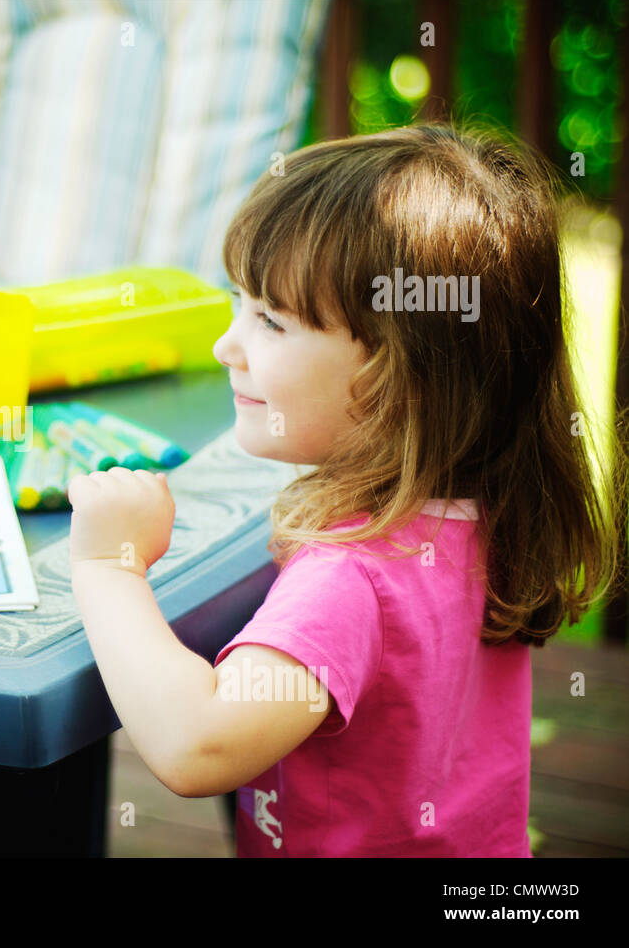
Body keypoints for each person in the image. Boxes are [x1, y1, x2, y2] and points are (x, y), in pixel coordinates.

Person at [66, 123, 625, 856]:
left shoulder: (351, 578)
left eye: (269, 319)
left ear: (398, 379)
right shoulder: (477, 509)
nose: (225, 346)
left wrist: (108, 565)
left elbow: (195, 745)